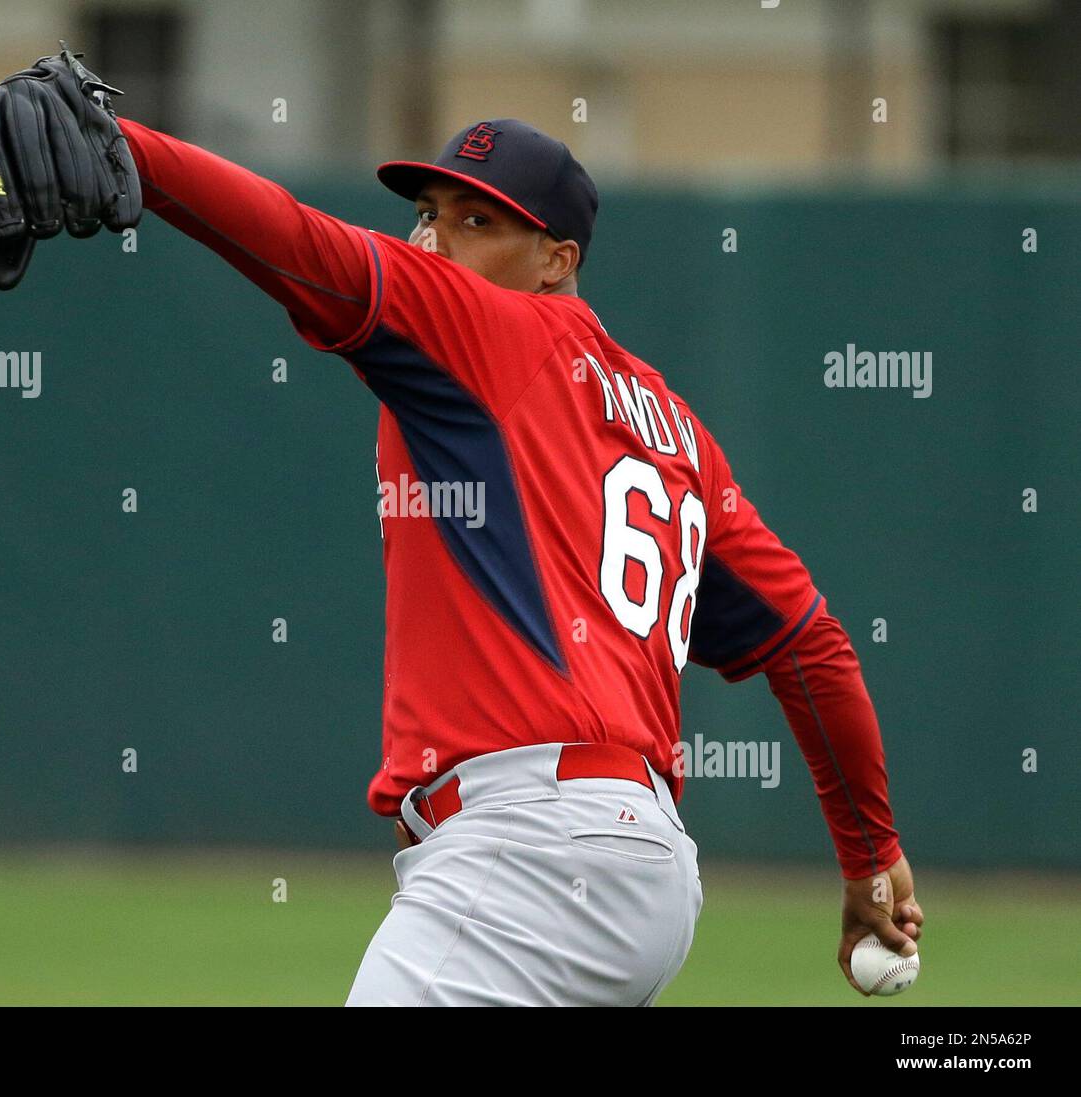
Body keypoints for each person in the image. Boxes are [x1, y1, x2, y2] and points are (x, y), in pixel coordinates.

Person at [112, 113, 922, 1006]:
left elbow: (297, 241)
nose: (434, 238)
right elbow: (810, 648)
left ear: (557, 259)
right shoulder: (679, 436)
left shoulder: (485, 331)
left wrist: (130, 151)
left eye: (477, 221)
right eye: (428, 211)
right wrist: (872, 859)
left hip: (529, 852)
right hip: (638, 866)